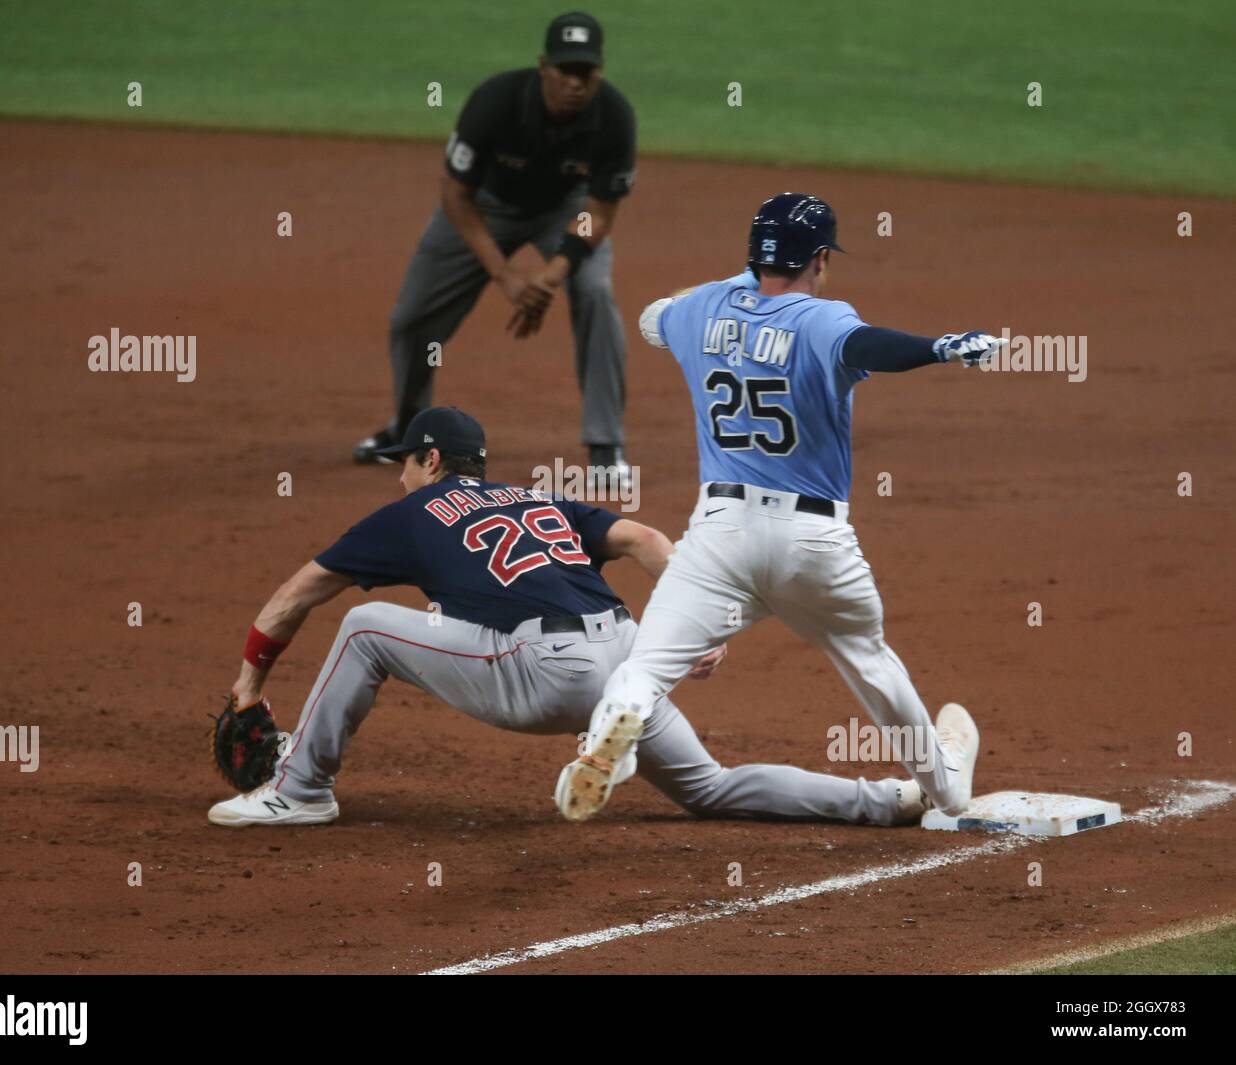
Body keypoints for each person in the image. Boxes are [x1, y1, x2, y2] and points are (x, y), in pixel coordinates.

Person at [208, 406, 924, 827]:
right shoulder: (535, 497)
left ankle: (301, 790)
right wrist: (693, 629)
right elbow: (644, 538)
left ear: (429, 459)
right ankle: (893, 797)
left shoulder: (410, 511)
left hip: (547, 673)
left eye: (406, 461)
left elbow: (293, 597)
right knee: (708, 786)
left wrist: (247, 686)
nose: (401, 474)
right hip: (632, 653)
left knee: (364, 627)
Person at [555, 192, 1003, 823]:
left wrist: (735, 292)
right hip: (811, 544)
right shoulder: (821, 321)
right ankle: (948, 786)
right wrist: (943, 347)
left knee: (647, 667)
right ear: (819, 259)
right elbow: (870, 346)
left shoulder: (697, 311)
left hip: (720, 537)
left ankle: (615, 733)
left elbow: (655, 316)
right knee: (870, 662)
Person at [353, 12, 635, 487]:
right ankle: (409, 426)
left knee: (594, 290)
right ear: (543, 66)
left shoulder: (613, 115)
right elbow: (455, 194)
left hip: (563, 212)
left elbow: (598, 213)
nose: (574, 83)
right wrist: (505, 276)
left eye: (584, 73)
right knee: (412, 317)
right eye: (565, 70)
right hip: (484, 206)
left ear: (599, 72)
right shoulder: (496, 102)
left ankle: (606, 446)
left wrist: (555, 271)